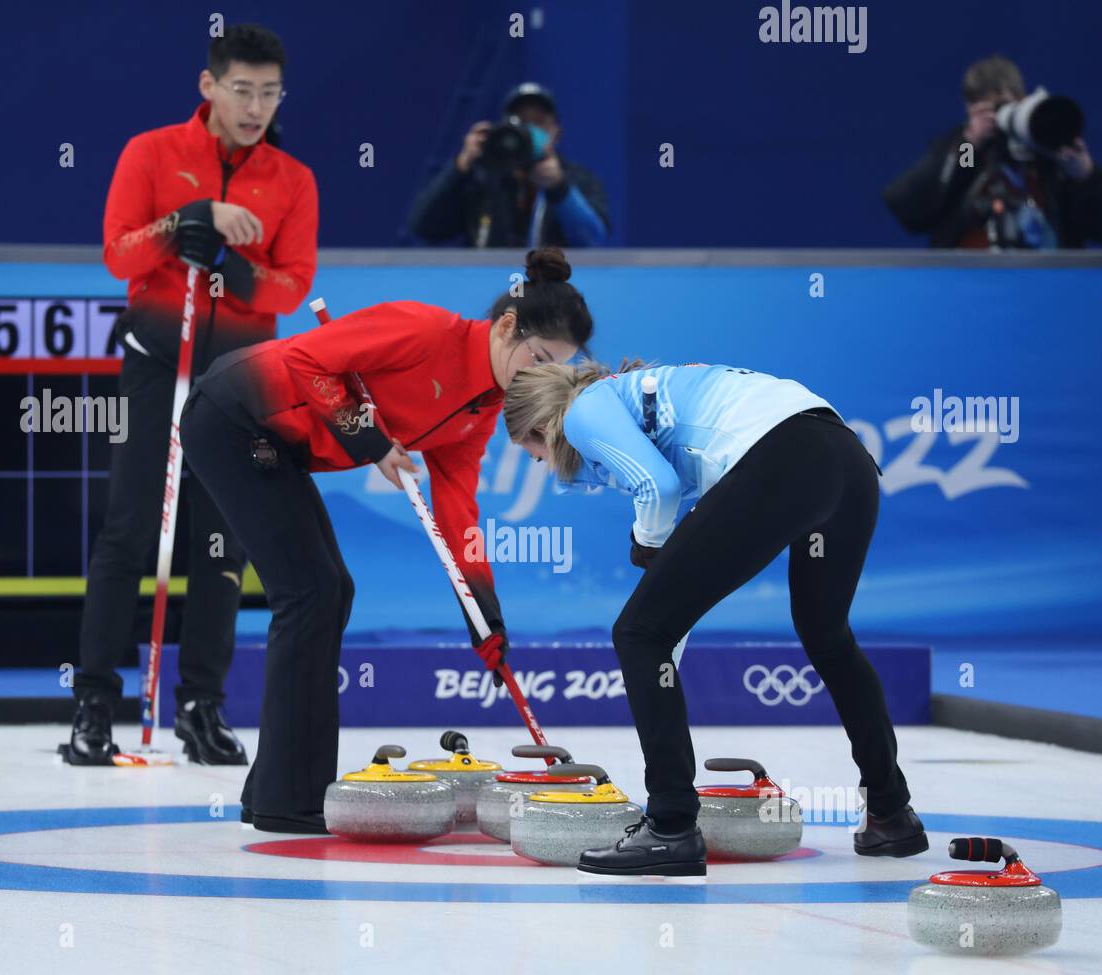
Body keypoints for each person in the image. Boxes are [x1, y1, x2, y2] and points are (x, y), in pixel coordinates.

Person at [181, 248, 594, 833]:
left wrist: (485, 616)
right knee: (310, 594)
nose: (542, 375)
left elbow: (460, 519)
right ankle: (287, 800)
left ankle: (275, 789)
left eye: (557, 368)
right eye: (541, 358)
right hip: (232, 415)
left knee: (329, 592)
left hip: (281, 446)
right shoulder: (424, 330)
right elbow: (306, 359)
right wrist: (369, 441)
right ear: (507, 327)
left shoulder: (481, 410)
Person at [502, 360, 926, 878]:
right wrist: (661, 641)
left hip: (783, 459)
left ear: (542, 428)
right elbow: (680, 583)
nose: (546, 465)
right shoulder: (657, 418)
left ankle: (671, 828)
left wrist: (646, 546)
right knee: (828, 637)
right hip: (846, 461)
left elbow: (654, 491)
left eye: (534, 453)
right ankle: (891, 813)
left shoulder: (585, 412)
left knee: (634, 632)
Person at [65, 24, 318, 766]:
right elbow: (119, 254)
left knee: (221, 543)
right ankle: (92, 704)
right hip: (156, 361)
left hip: (239, 380)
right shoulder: (151, 153)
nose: (256, 106)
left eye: (270, 93)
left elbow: (294, 285)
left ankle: (202, 707)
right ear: (208, 87)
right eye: (242, 90)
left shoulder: (292, 178)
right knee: (131, 530)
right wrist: (186, 222)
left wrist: (236, 269)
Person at [883, 55, 1102, 248]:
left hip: (1049, 287)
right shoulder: (966, 151)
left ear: (1023, 99)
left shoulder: (1047, 148)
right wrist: (972, 142)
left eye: (1009, 105)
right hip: (965, 289)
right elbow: (909, 209)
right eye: (993, 109)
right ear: (970, 109)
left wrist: (1085, 178)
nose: (1001, 117)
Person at [408, 82, 610, 248]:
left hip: (552, 291)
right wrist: (461, 166)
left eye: (538, 122)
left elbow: (592, 240)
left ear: (556, 133)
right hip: (489, 289)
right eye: (519, 121)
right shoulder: (483, 178)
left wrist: (559, 189)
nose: (528, 129)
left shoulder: (577, 179)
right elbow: (424, 227)